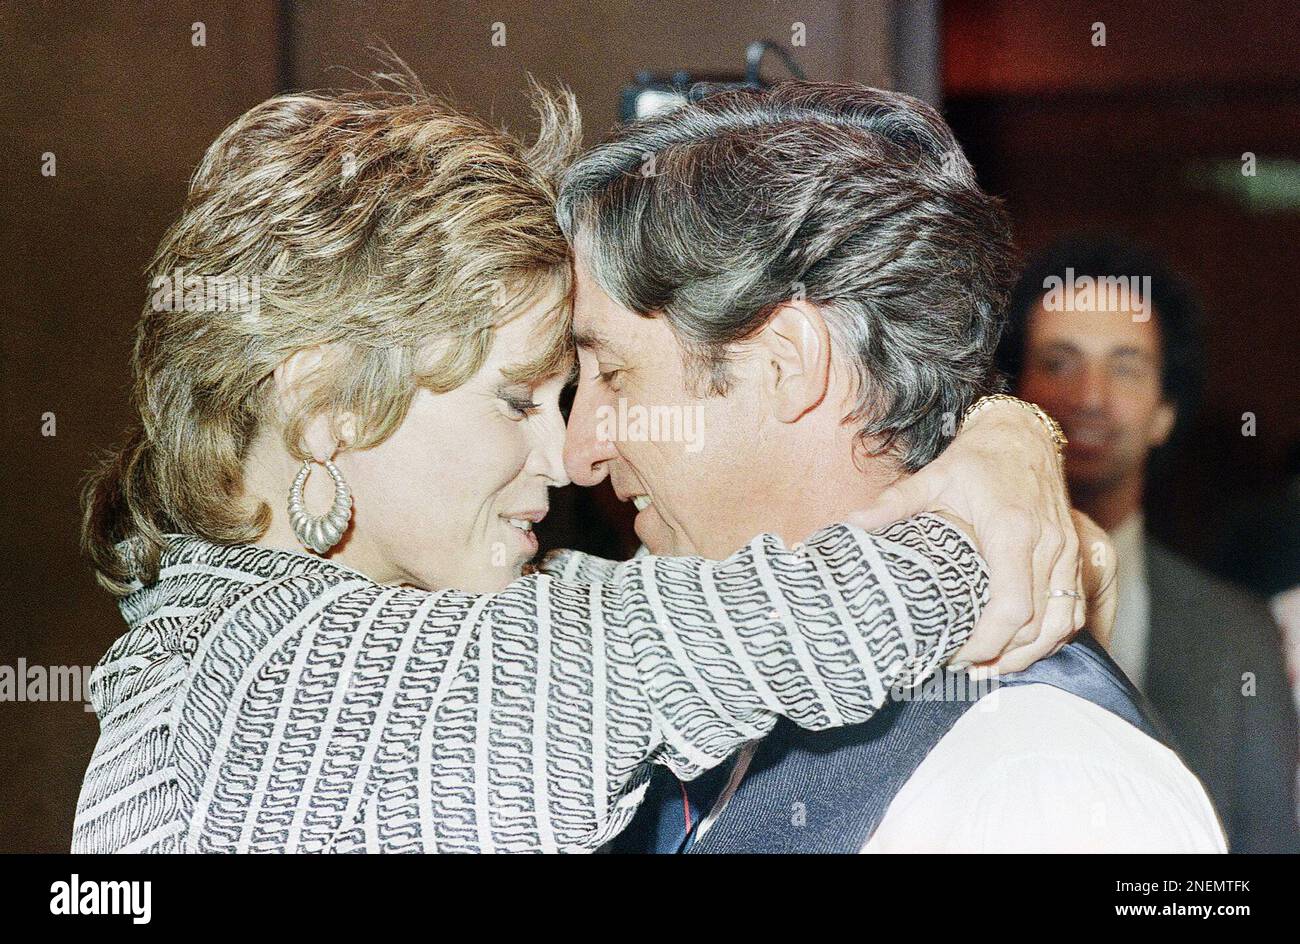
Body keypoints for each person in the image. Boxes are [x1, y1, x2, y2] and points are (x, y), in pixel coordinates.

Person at [72, 81, 1082, 854]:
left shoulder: (221, 635)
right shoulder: (305, 682)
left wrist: (1005, 433)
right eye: (517, 399)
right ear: (324, 400)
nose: (565, 458)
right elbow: (822, 612)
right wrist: (1006, 465)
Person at [558, 83, 1225, 853]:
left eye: (612, 374)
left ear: (786, 365)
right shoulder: (702, 670)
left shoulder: (1041, 778)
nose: (580, 450)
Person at [1001, 234, 1300, 852]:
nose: (1088, 398)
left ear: (1166, 411)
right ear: (1014, 395)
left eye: (1125, 368)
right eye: (1058, 362)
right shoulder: (937, 600)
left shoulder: (1238, 633)